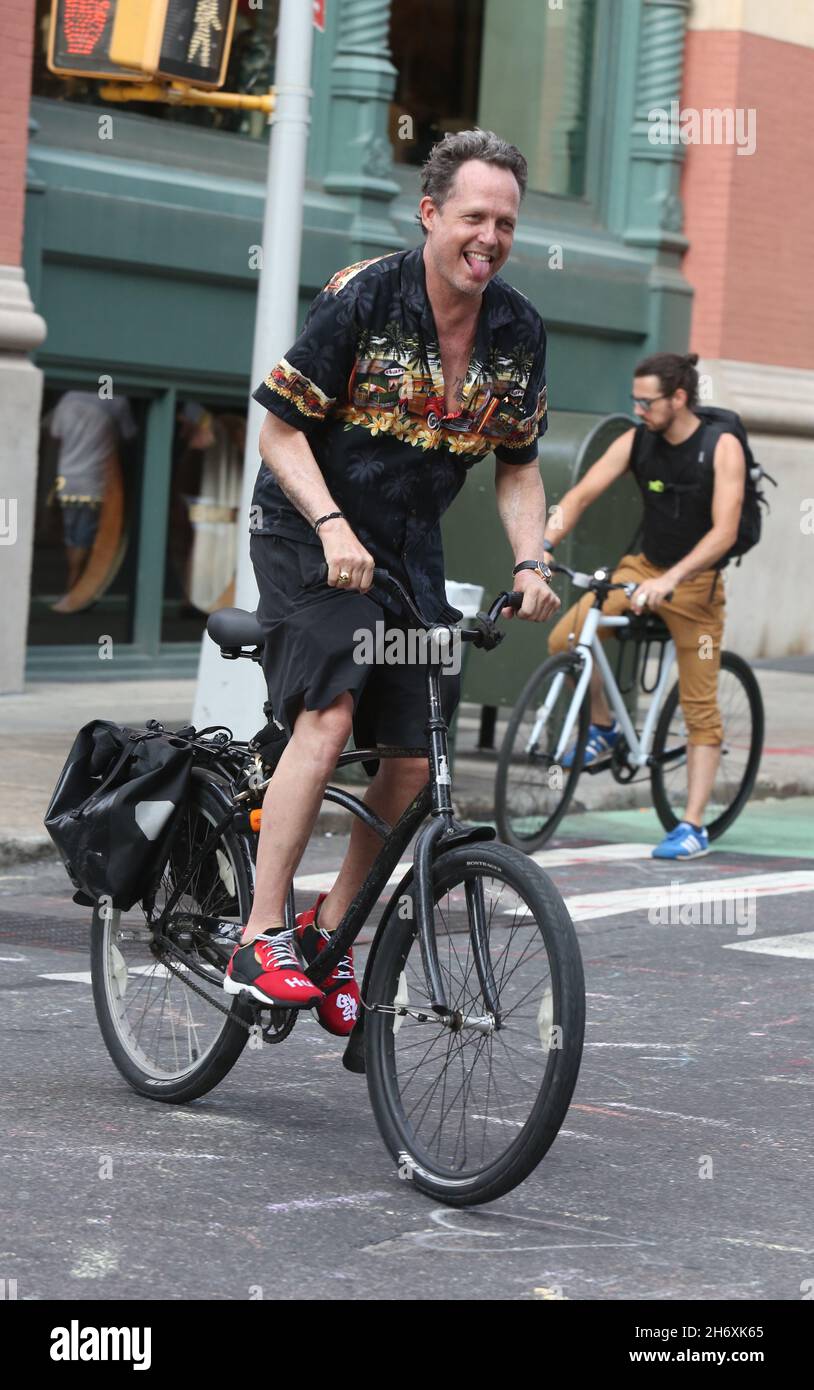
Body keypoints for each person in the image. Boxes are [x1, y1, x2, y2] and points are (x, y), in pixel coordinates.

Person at [224, 128, 561, 1029]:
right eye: (473, 217)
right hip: (308, 530)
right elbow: (280, 429)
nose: (489, 237)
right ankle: (259, 935)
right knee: (331, 712)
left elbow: (519, 463)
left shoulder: (518, 330)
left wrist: (533, 559)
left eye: (505, 222)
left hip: (408, 552)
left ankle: (330, 937)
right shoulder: (366, 296)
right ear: (430, 214)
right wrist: (331, 523)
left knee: (414, 757)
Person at [545, 352, 746, 860]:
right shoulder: (637, 440)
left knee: (700, 707)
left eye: (647, 401)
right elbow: (582, 493)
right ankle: (606, 726)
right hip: (641, 569)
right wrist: (542, 544)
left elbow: (724, 532)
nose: (639, 409)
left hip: (696, 585)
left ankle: (693, 825)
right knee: (566, 638)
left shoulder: (720, 448)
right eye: (634, 399)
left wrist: (675, 578)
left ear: (679, 398)